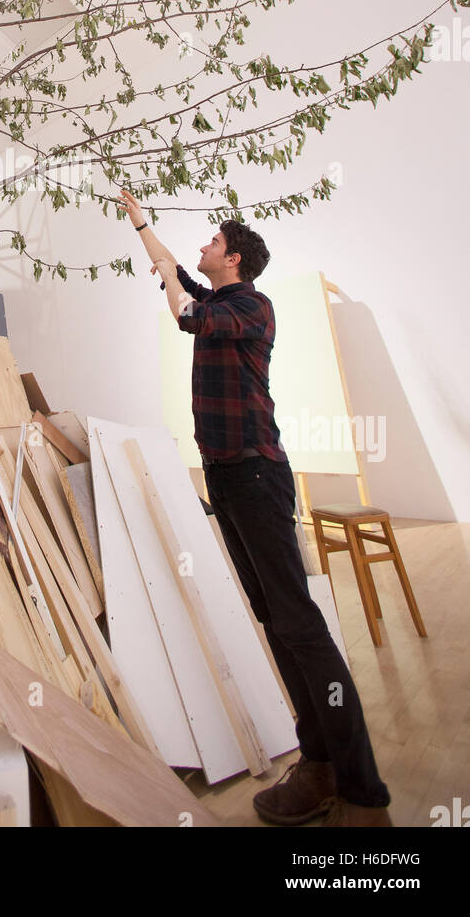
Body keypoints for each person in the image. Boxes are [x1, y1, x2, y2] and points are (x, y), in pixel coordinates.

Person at [119, 188, 392, 828]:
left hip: (257, 475)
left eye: (213, 242)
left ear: (234, 258)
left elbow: (184, 310)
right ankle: (318, 762)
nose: (203, 247)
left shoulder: (250, 305)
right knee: (274, 618)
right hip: (226, 476)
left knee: (299, 622)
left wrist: (176, 286)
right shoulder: (218, 297)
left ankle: (361, 788)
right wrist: (139, 218)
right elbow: (171, 274)